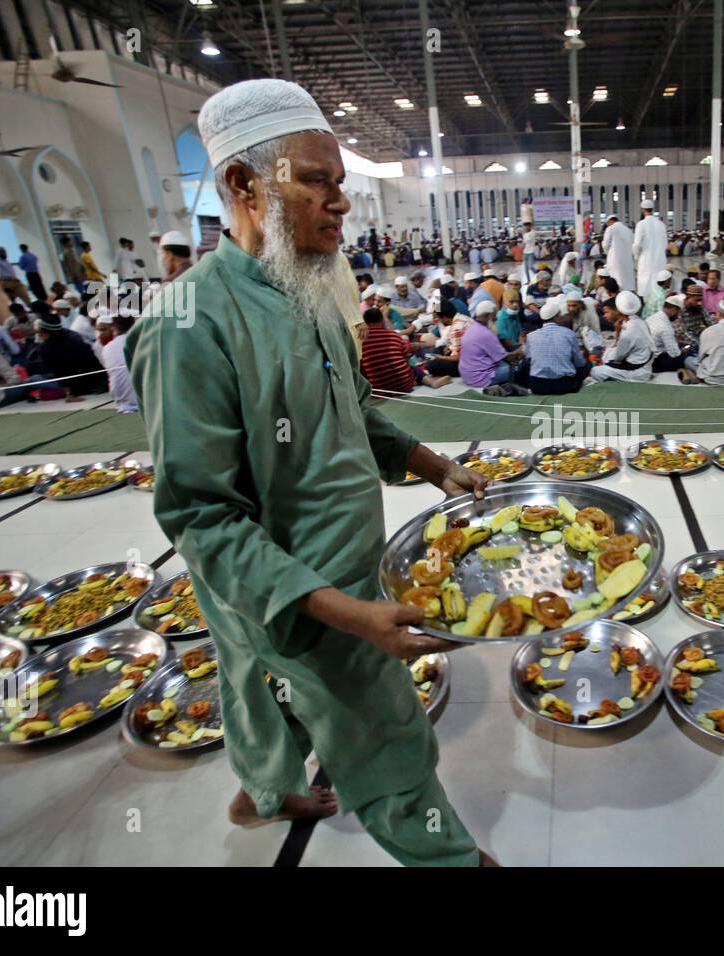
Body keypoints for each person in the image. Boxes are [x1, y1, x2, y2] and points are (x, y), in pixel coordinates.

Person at [126, 78, 493, 866]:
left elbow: (351, 409)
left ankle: (263, 794)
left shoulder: (316, 290)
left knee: (258, 691)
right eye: (316, 181)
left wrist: (432, 465)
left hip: (340, 560)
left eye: (341, 185)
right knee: (386, 740)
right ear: (242, 185)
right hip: (293, 589)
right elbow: (199, 516)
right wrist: (350, 615)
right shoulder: (188, 324)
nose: (342, 204)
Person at [522, 298, 590, 394]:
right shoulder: (569, 334)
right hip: (565, 385)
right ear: (557, 316)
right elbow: (579, 363)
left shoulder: (531, 336)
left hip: (538, 386)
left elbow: (528, 359)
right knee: (587, 364)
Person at [679, 301, 724, 386]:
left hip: (711, 378)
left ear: (718, 314)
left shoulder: (707, 332)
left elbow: (700, 359)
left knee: (688, 360)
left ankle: (693, 374)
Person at [34, 312, 106, 399]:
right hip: (98, 381)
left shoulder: (45, 349)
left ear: (43, 331)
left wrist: (69, 394)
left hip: (77, 388)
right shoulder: (74, 337)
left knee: (34, 379)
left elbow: (58, 372)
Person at [589, 291, 652, 382]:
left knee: (595, 371)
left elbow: (611, 359)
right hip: (644, 367)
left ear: (617, 311)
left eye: (607, 312)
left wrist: (617, 336)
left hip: (637, 372)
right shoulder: (640, 322)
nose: (605, 316)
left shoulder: (628, 330)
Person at [460, 299, 518, 391]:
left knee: (504, 363)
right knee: (518, 368)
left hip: (466, 375)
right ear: (489, 316)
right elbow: (507, 358)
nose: (496, 318)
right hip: (480, 378)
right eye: (495, 315)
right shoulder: (486, 334)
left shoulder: (472, 327)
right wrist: (521, 351)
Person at [632, 199, 668, 297]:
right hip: (660, 260)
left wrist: (636, 257)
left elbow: (637, 245)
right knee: (658, 285)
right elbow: (665, 244)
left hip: (646, 260)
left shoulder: (641, 224)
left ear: (643, 210)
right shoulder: (661, 224)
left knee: (645, 287)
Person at [648, 294, 687, 373]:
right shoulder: (666, 327)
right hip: (654, 362)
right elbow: (674, 354)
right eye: (678, 313)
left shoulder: (653, 317)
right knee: (687, 356)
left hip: (646, 355)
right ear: (673, 310)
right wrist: (683, 351)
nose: (678, 316)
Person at [602, 214, 636, 292]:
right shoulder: (628, 230)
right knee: (627, 284)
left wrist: (607, 253)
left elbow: (605, 245)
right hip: (628, 261)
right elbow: (633, 245)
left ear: (610, 221)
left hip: (615, 261)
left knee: (616, 283)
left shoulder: (610, 228)